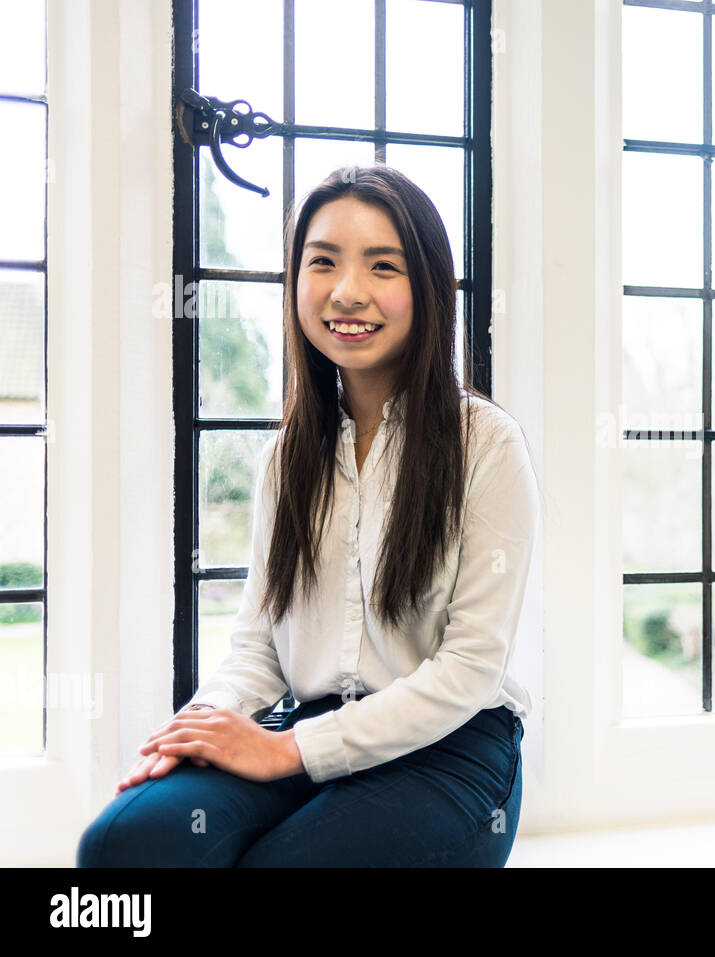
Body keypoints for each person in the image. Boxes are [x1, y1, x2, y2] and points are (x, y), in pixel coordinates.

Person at [76, 164, 541, 867]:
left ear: (428, 286)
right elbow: (259, 645)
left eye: (383, 266)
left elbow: (469, 669)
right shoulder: (287, 458)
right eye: (322, 262)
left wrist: (288, 750)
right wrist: (204, 726)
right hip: (306, 722)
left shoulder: (487, 445)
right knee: (123, 842)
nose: (347, 291)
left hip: (451, 749)